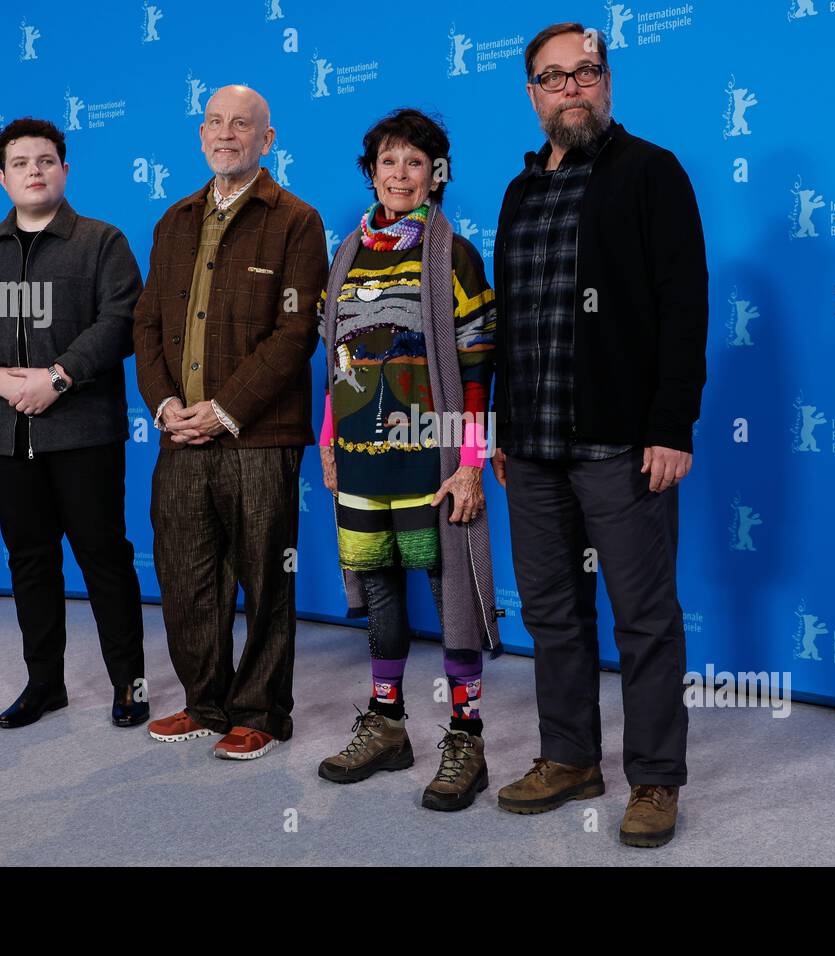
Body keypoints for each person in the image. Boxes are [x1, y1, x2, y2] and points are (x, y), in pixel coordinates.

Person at [490, 23, 709, 847]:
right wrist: (503, 427)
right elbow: (512, 323)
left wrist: (670, 425)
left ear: (607, 81)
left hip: (622, 443)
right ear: (533, 94)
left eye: (587, 73)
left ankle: (654, 778)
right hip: (535, 444)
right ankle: (570, 756)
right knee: (551, 612)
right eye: (554, 78)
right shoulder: (518, 192)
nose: (572, 88)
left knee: (646, 618)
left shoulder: (651, 172)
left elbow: (684, 308)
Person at [0, 117, 148, 730]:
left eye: (47, 159)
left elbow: (120, 322)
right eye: (21, 162)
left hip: (82, 431)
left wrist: (57, 377)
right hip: (4, 433)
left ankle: (129, 684)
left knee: (103, 555)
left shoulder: (101, 242)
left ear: (65, 169)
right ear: (2, 177)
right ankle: (44, 685)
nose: (35, 170)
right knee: (29, 558)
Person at [315, 108, 502, 812]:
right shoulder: (347, 252)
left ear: (435, 175)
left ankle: (467, 735)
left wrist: (471, 461)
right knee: (381, 584)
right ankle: (387, 723)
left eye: (414, 162)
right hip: (362, 457)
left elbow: (481, 363)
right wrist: (330, 438)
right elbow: (335, 358)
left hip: (434, 457)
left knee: (449, 589)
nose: (399, 174)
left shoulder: (454, 254)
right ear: (372, 173)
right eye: (388, 162)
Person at [134, 86, 328, 760]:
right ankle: (206, 703)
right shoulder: (174, 221)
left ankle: (263, 713)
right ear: (200, 134)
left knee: (265, 576)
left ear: (266, 140)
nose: (226, 134)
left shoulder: (296, 220)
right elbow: (147, 323)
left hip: (258, 437)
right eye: (215, 123)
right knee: (187, 576)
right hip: (178, 434)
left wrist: (222, 411)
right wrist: (165, 407)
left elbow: (295, 331)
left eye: (241, 125)